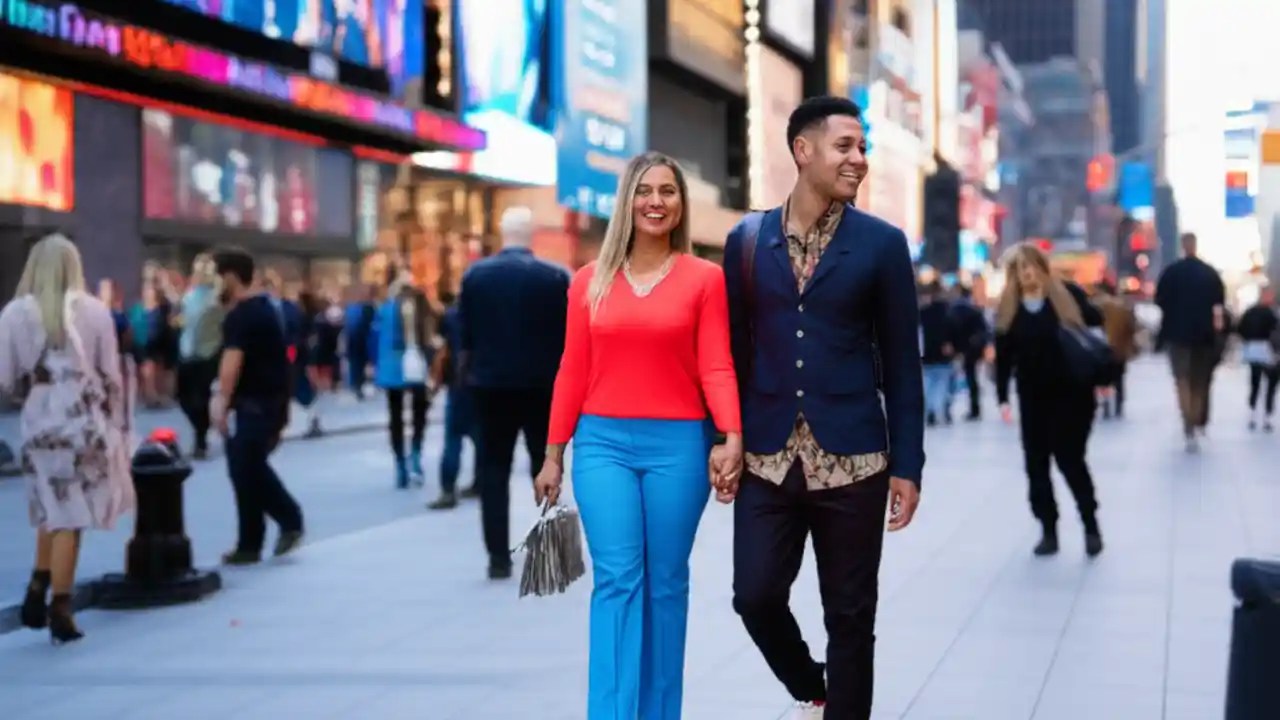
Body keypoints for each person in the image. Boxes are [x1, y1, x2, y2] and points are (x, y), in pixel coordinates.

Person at [720, 96, 924, 718]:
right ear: (802, 150)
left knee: (851, 617)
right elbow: (731, 352)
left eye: (863, 147)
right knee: (754, 595)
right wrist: (722, 436)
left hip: (855, 461)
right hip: (767, 458)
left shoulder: (882, 244)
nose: (858, 159)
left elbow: (903, 363)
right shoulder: (746, 240)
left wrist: (908, 465)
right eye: (845, 146)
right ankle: (813, 684)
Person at [533, 152, 741, 720]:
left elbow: (716, 364)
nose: (655, 201)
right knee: (618, 580)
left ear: (681, 204)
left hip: (680, 448)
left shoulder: (705, 279)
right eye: (644, 191)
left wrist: (731, 435)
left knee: (666, 585)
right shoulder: (588, 282)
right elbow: (571, 370)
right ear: (627, 201)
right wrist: (552, 454)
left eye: (667, 191)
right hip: (602, 446)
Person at [0, 233, 135, 643]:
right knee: (71, 515)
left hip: (39, 421)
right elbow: (111, 374)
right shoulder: (94, 311)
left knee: (51, 501)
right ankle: (61, 606)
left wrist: (30, 388)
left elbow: (5, 378)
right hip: (82, 423)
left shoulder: (14, 313)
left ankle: (38, 585)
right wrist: (118, 423)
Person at [460, 206, 570, 579]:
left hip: (490, 386)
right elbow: (567, 339)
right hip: (542, 386)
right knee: (546, 465)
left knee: (493, 469)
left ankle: (497, 557)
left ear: (502, 232)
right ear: (531, 234)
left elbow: (465, 338)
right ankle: (550, 549)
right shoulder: (554, 277)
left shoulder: (475, 276)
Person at [994, 242, 1104, 558]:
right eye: (1021, 269)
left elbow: (1095, 323)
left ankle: (1090, 525)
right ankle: (1048, 529)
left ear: (1042, 267)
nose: (1028, 273)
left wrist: (1078, 304)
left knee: (1071, 461)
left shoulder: (1066, 295)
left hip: (1072, 395)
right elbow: (1003, 357)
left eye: (1032, 266)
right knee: (1036, 465)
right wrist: (1002, 397)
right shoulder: (1009, 308)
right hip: (1032, 397)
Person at [210, 247, 305, 565]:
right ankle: (249, 543)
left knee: (247, 468)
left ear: (230, 277)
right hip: (269, 402)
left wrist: (220, 401)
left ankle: (289, 519)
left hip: (252, 404)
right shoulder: (267, 309)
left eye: (216, 277)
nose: (213, 285)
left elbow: (231, 364)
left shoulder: (242, 316)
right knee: (244, 469)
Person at [1155, 232, 1226, 452]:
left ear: (1182, 246)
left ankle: (1187, 423)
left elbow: (1159, 300)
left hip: (1177, 336)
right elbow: (1219, 304)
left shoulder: (1171, 273)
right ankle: (1194, 420)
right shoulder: (1209, 273)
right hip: (1203, 336)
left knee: (1182, 380)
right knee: (1199, 383)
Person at [374, 266, 438, 489]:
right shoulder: (420, 305)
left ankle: (400, 464)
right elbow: (430, 337)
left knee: (395, 417)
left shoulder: (386, 308)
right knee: (419, 412)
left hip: (392, 368)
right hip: (417, 367)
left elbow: (377, 339)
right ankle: (416, 455)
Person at [428, 290, 477, 510]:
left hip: (458, 384)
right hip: (482, 384)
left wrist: (436, 382)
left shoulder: (452, 316)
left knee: (453, 440)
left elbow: (443, 350)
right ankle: (480, 482)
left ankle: (448, 490)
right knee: (481, 438)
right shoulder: (487, 315)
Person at [176, 254, 224, 459]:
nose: (201, 274)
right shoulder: (189, 296)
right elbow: (185, 320)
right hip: (187, 353)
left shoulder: (217, 298)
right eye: (198, 269)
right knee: (182, 396)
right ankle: (202, 430)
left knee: (201, 398)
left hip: (207, 354)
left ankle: (201, 439)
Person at [1093, 279, 1138, 419]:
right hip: (1119, 348)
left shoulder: (1096, 305)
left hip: (1101, 347)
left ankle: (1106, 404)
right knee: (1118, 378)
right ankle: (1119, 405)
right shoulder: (1123, 307)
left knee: (1103, 378)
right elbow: (1131, 327)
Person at [1236, 288, 1279, 431]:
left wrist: (1248, 341)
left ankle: (1253, 414)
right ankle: (1266, 416)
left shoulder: (1250, 312)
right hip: (1270, 350)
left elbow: (1240, 329)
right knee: (1271, 384)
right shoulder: (1274, 314)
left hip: (1253, 348)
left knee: (1255, 382)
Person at [919, 280, 959, 426]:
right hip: (944, 356)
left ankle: (931, 410)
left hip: (927, 355)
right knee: (943, 385)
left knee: (929, 385)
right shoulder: (948, 312)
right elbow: (954, 331)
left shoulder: (922, 313)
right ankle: (941, 410)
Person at [949, 285, 989, 421]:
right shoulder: (974, 311)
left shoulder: (952, 311)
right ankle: (975, 408)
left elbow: (950, 329)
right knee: (972, 378)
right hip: (973, 350)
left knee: (951, 378)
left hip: (957, 349)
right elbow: (984, 331)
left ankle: (946, 409)